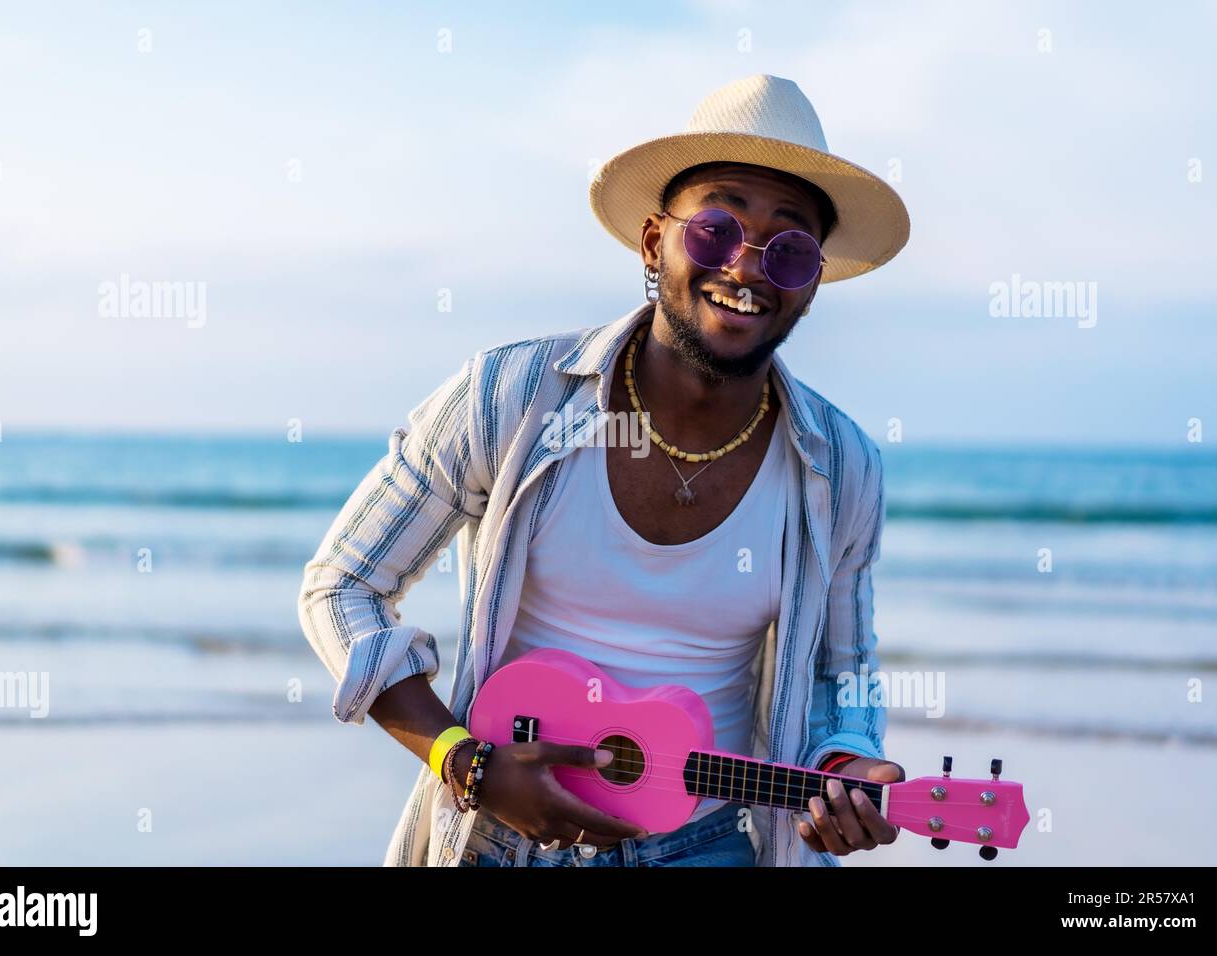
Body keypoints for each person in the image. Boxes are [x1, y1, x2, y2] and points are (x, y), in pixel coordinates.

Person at [298, 73, 911, 867]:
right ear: (656, 243)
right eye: (717, 229)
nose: (747, 266)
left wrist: (844, 766)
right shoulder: (512, 396)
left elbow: (843, 671)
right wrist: (464, 760)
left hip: (706, 846)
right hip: (496, 843)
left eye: (788, 248)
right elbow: (342, 585)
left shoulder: (840, 468)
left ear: (812, 281)